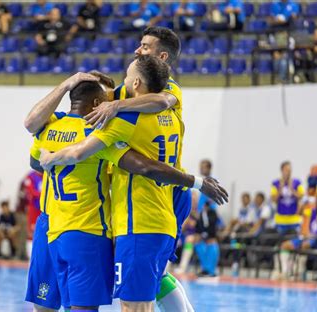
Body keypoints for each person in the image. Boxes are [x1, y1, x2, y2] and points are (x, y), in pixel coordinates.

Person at [24, 26, 202, 312]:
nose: (137, 49)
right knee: (149, 281)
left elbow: (158, 103)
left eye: (144, 46)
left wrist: (108, 103)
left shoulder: (146, 100)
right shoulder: (114, 112)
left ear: (162, 56)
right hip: (116, 212)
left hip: (136, 205)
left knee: (140, 288)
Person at [277, 184, 317, 280]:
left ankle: (298, 273)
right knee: (284, 245)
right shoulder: (308, 207)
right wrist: (303, 203)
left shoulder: (316, 212)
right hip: (303, 236)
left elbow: (315, 232)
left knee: (304, 246)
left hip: (314, 239)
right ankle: (285, 272)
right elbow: (298, 213)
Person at [271, 161, 305, 235]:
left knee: (294, 240)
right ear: (282, 170)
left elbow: (301, 196)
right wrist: (280, 188)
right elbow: (274, 199)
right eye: (286, 170)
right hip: (281, 219)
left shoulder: (297, 182)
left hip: (294, 219)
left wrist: (292, 189)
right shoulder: (275, 183)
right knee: (281, 241)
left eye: (290, 170)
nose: (288, 172)